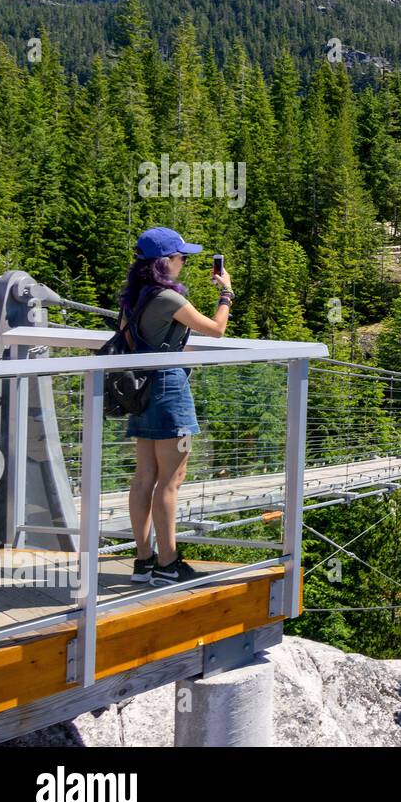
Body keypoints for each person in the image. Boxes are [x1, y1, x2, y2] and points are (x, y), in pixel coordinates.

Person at [121, 227, 233, 587]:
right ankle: (169, 565)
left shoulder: (134, 296)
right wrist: (226, 292)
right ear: (165, 262)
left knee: (143, 478)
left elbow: (130, 339)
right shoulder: (168, 298)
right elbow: (216, 330)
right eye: (182, 257)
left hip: (141, 390)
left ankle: (143, 562)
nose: (184, 263)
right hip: (170, 391)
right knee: (171, 480)